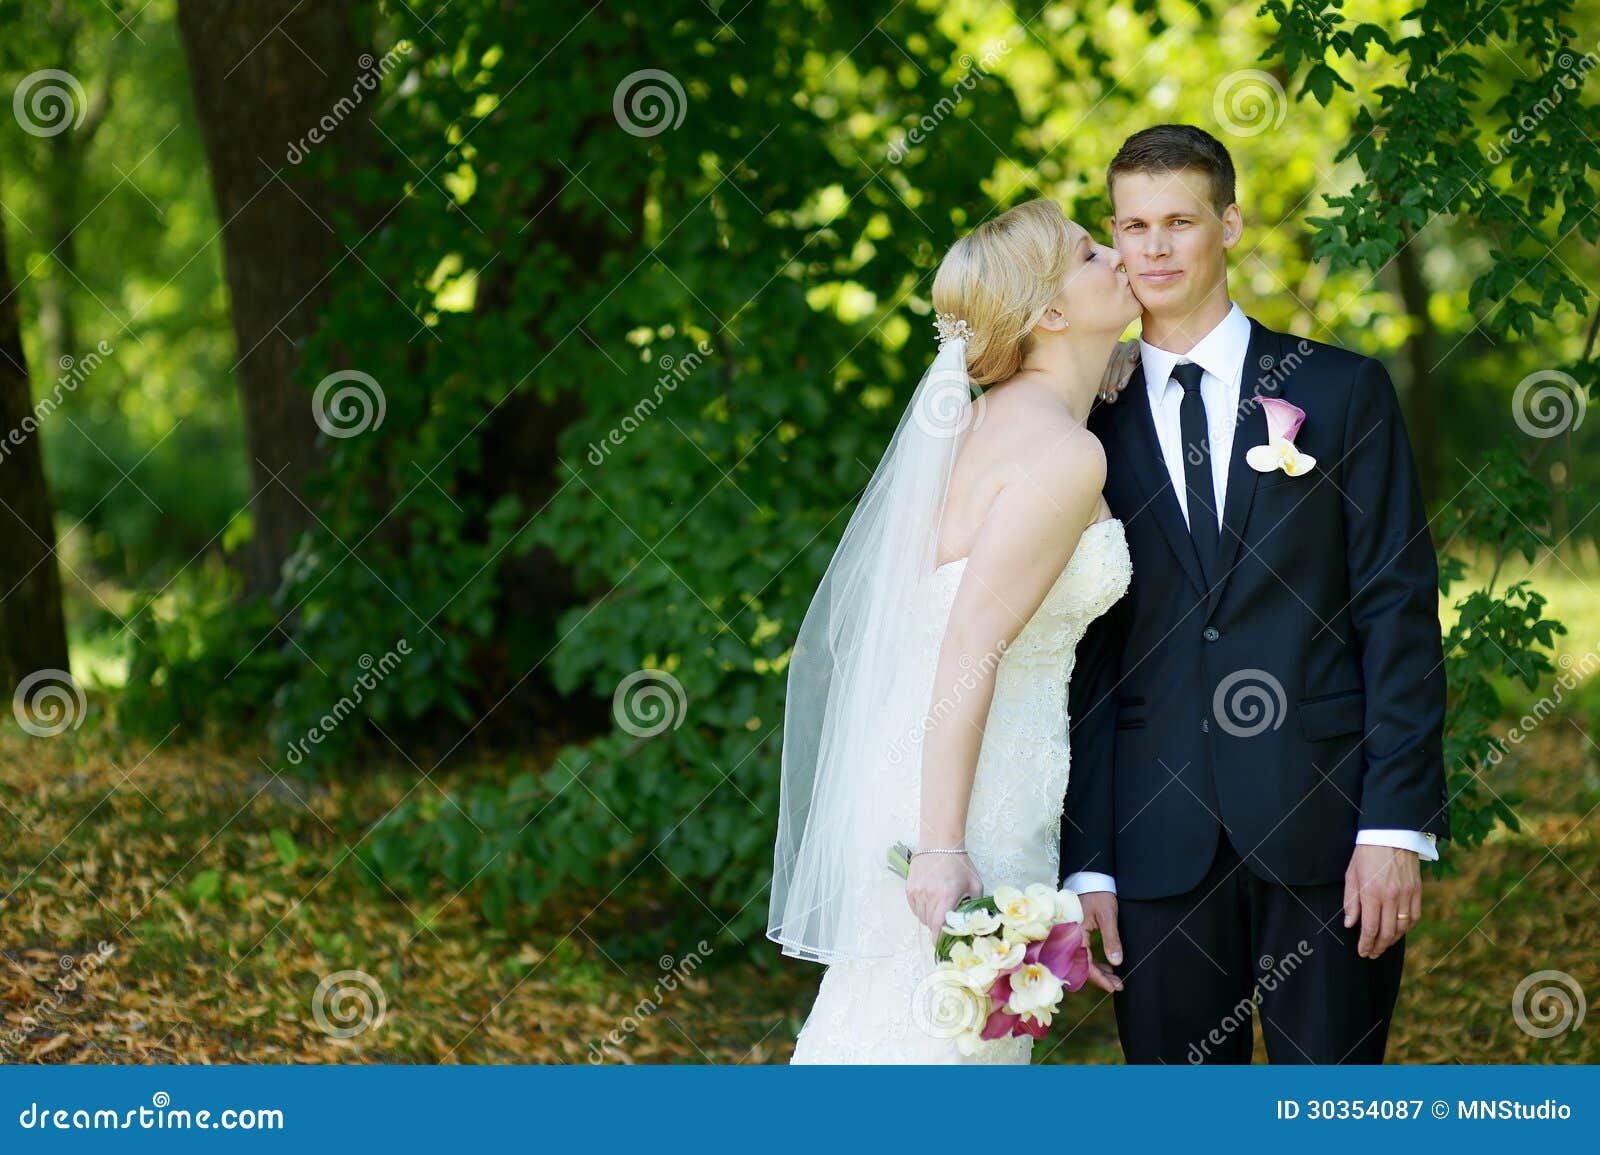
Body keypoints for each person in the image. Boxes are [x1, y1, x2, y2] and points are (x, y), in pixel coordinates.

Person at [1061, 124, 1450, 1064]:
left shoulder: (1341, 389)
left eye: (1179, 222)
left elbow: (1396, 611)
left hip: (1326, 828)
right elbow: (1082, 658)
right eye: (1132, 226)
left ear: (1228, 224)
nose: (1152, 248)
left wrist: (1396, 825)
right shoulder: (1083, 424)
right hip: (1153, 841)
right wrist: (1088, 859)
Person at [768, 197, 1140, 1063]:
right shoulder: (1063, 452)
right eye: (1091, 254)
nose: (1119, 256)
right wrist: (941, 847)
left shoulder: (993, 423)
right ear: (1050, 311)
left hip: (954, 776)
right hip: (971, 804)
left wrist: (1110, 358)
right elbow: (967, 644)